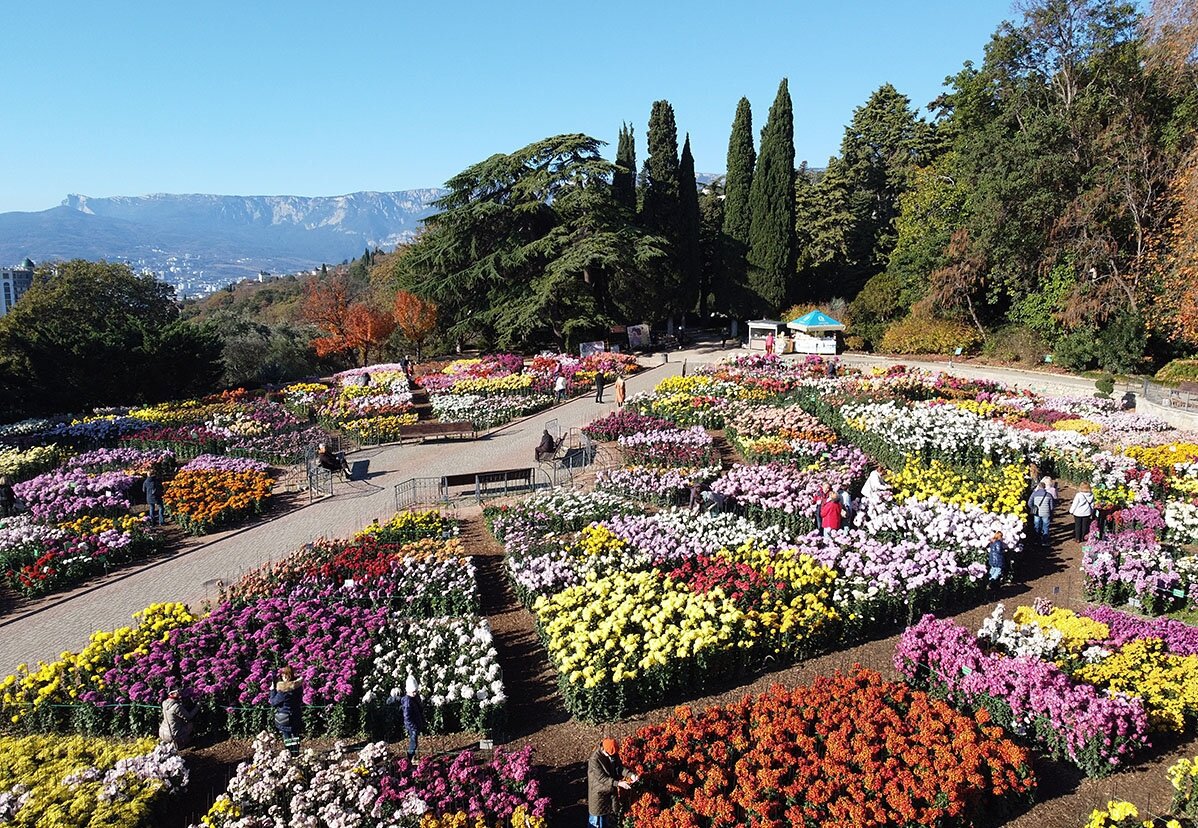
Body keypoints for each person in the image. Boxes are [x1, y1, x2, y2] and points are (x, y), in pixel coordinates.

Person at [588, 738, 637, 828]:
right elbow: (602, 778)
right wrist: (618, 783)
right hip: (598, 792)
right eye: (609, 755)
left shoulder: (613, 753)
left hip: (609, 789)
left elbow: (619, 767)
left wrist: (631, 775)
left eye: (613, 755)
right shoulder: (594, 759)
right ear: (603, 749)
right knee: (596, 821)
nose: (611, 757)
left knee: (605, 818)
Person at [269, 666, 303, 748]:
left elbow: (273, 702)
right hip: (296, 714)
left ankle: (290, 753)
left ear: (287, 676)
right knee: (295, 735)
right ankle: (296, 752)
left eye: (283, 675)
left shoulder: (283, 691)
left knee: (287, 736)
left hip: (284, 716)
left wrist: (272, 690)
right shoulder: (298, 687)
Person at [401, 675, 425, 761]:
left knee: (415, 741)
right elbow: (407, 717)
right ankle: (410, 757)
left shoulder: (415, 697)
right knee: (413, 741)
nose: (415, 693)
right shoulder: (407, 701)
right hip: (412, 725)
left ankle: (413, 756)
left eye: (416, 691)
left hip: (416, 722)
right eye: (413, 692)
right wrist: (413, 726)